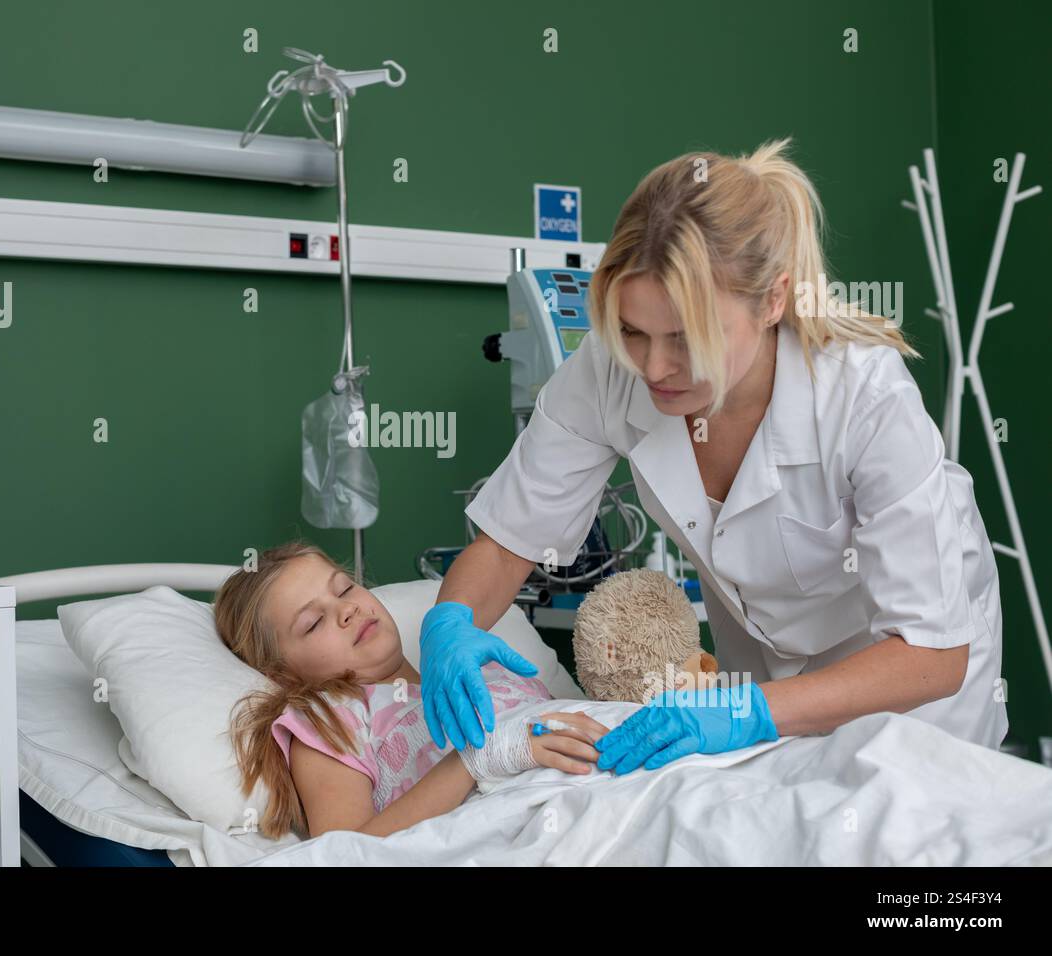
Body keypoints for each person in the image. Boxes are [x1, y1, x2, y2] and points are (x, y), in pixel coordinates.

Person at [420, 138, 1006, 774]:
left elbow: (931, 654)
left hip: (901, 684)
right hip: (755, 677)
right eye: (633, 332)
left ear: (773, 301)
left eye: (685, 339)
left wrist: (749, 712)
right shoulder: (609, 368)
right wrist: (450, 621)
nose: (653, 367)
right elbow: (512, 540)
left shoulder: (864, 395)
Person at [214, 542, 609, 838]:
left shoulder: (480, 666)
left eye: (345, 589)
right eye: (314, 622)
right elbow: (346, 854)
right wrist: (476, 760)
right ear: (282, 674)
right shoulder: (332, 718)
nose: (346, 609)